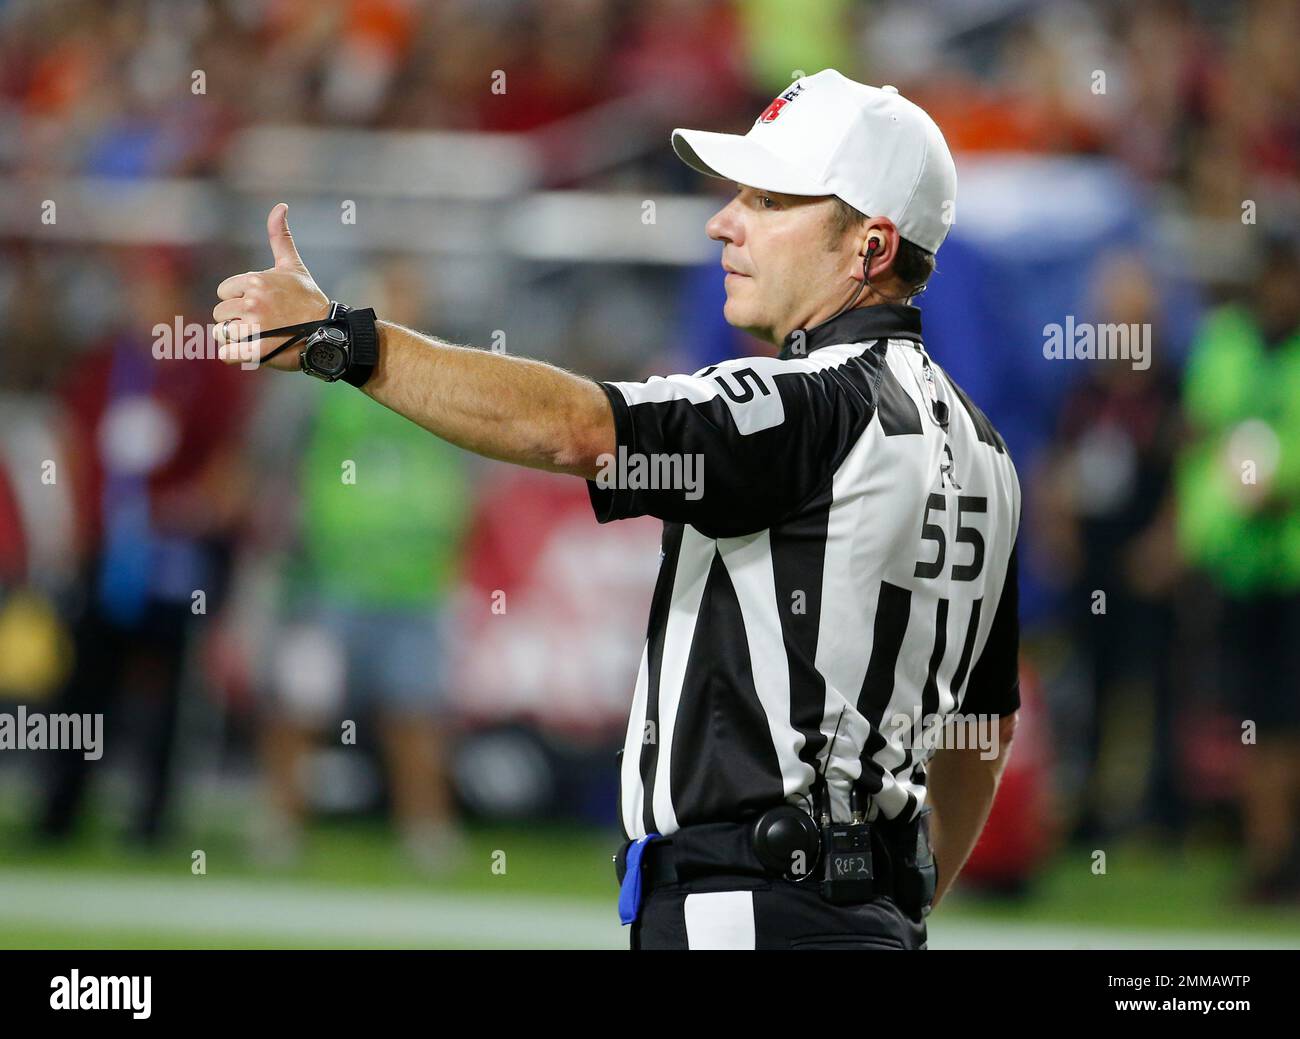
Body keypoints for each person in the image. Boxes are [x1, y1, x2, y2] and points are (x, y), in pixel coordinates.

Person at [213, 69, 1022, 950]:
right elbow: (986, 719)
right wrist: (907, 889)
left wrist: (343, 340)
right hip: (869, 919)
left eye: (769, 198)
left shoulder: (807, 407)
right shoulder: (986, 453)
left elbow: (575, 430)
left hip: (748, 910)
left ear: (870, 245)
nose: (724, 220)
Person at [1176, 234, 1300, 904]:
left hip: (1293, 563)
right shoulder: (1225, 341)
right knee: (1254, 716)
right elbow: (1199, 429)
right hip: (1238, 563)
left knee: (1283, 716)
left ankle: (1278, 854)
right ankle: (1268, 853)